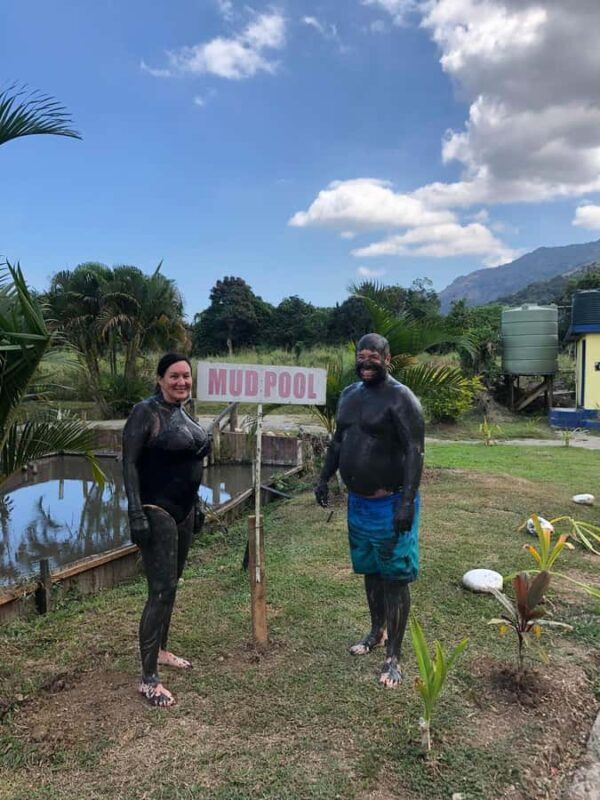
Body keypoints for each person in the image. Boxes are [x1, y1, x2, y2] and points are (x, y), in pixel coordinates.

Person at [315, 333, 424, 688]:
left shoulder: (401, 398)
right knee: (371, 571)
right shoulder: (348, 395)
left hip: (391, 503)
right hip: (358, 504)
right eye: (361, 356)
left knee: (395, 579)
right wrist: (324, 477)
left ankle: (394, 656)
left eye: (373, 357)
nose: (366, 363)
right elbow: (338, 442)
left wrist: (406, 502)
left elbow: (415, 452)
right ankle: (377, 631)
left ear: (387, 359)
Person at [122, 353, 210, 707]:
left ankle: (161, 650)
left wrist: (198, 503)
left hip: (184, 510)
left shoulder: (183, 413)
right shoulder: (145, 412)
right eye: (174, 376)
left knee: (172, 585)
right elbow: (129, 463)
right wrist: (134, 512)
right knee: (160, 590)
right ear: (160, 379)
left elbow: (190, 463)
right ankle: (148, 680)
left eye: (186, 376)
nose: (181, 382)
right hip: (155, 509)